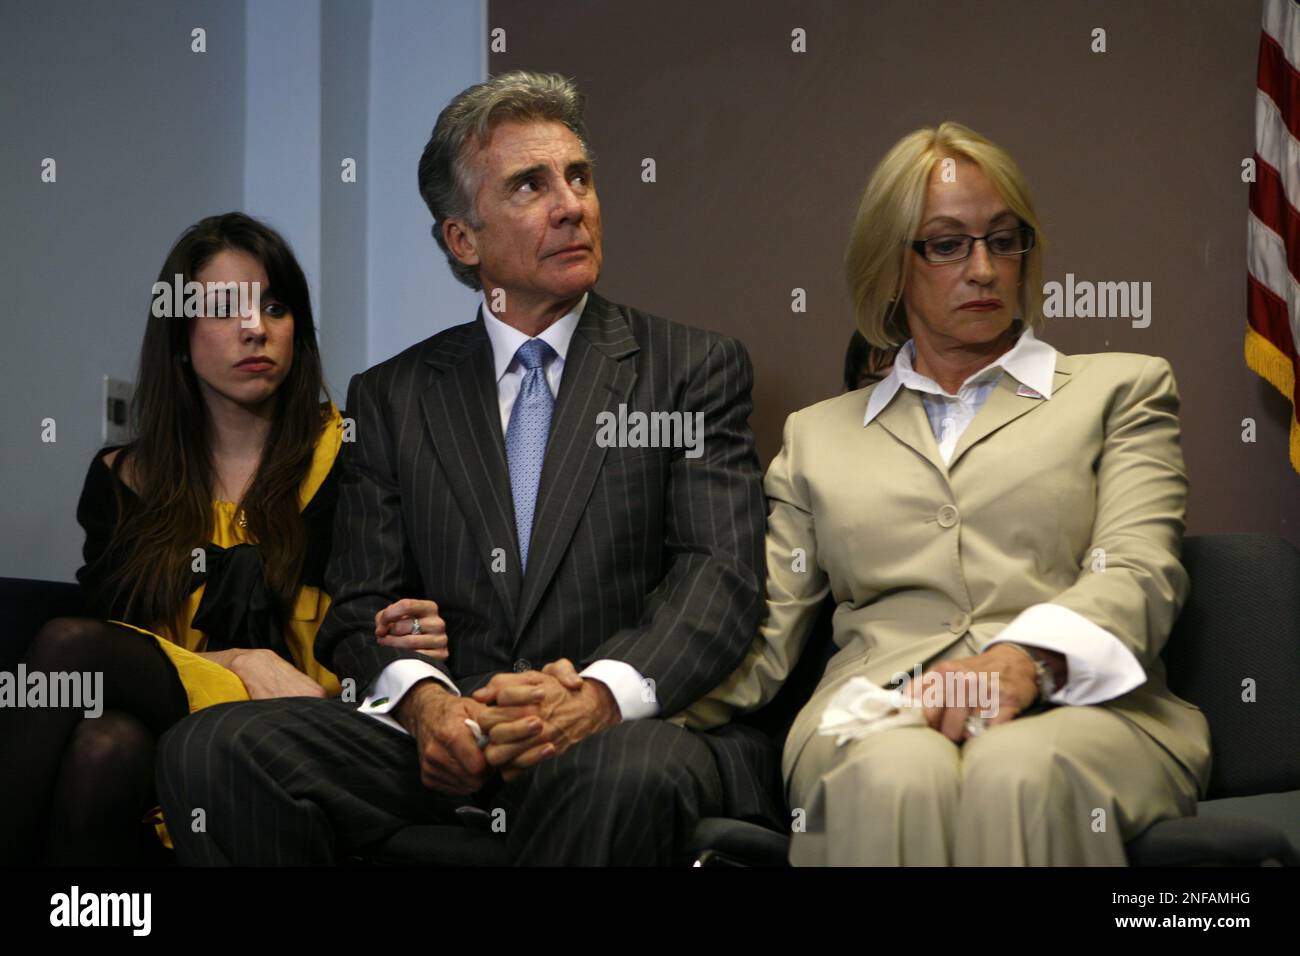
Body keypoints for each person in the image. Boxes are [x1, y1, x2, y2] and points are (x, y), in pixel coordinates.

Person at [155, 71, 781, 866]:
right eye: (531, 184)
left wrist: (592, 697)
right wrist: (424, 704)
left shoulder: (689, 368)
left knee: (625, 774)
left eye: (579, 176)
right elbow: (360, 605)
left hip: (617, 732)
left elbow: (719, 578)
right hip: (454, 734)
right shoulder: (391, 396)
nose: (572, 204)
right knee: (213, 749)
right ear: (464, 239)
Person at [679, 121, 1211, 865]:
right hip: (881, 711)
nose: (986, 268)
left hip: (1083, 714)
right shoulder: (816, 438)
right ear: (891, 268)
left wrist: (1024, 659)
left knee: (1015, 771)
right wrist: (608, 702)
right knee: (894, 778)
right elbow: (763, 642)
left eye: (1005, 239)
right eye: (947, 244)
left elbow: (1138, 568)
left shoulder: (1123, 388)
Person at [0, 212, 355, 865]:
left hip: (308, 728)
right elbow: (120, 651)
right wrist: (240, 661)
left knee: (68, 646)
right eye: (225, 308)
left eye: (275, 307)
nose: (256, 328)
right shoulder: (122, 479)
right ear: (178, 333)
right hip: (176, 725)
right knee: (105, 745)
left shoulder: (351, 457)